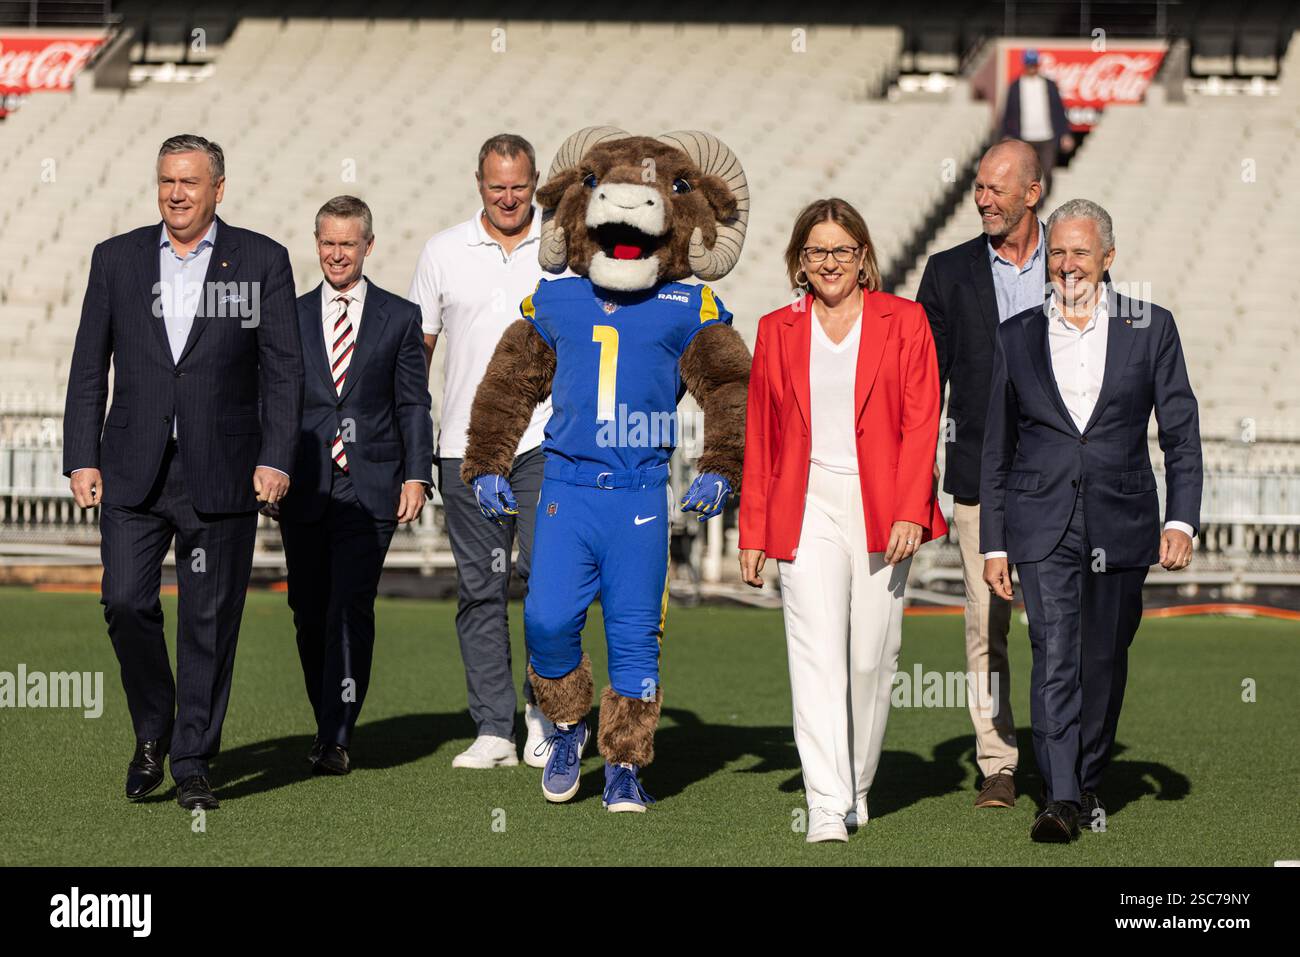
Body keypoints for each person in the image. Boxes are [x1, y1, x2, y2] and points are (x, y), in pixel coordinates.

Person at [62, 133, 302, 810]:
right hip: (133, 466)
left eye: (190, 182)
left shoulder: (261, 260)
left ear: (218, 188)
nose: (176, 193)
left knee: (209, 620)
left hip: (223, 469)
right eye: (167, 180)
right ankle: (154, 723)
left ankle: (192, 758)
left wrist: (277, 455)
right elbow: (89, 365)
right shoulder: (116, 259)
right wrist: (81, 453)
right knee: (124, 601)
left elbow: (283, 370)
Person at [980, 199, 1201, 843]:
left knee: (1103, 658)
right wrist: (994, 542)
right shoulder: (1016, 332)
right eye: (1057, 253)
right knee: (1052, 652)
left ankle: (1088, 770)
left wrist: (1182, 521)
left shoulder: (1150, 325)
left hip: (1124, 519)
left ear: (1108, 259)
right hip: (1041, 518)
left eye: (1081, 252)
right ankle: (1061, 795)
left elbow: (1181, 435)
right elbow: (997, 448)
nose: (1068, 265)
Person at [739, 198, 947, 843]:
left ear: (863, 258)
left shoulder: (906, 322)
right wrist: (754, 531)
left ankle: (856, 785)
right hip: (805, 506)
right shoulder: (777, 327)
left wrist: (913, 509)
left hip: (884, 508)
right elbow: (763, 435)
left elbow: (922, 422)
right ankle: (826, 801)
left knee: (871, 660)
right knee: (816, 653)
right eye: (816, 252)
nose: (829, 263)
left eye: (841, 251)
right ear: (799, 261)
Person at [407, 133, 556, 769]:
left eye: (519, 186)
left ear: (536, 181)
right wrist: (416, 455)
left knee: (550, 586)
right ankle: (494, 728)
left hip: (547, 443)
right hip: (465, 450)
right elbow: (417, 361)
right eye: (497, 186)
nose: (508, 197)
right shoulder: (442, 251)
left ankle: (546, 712)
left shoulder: (564, 250)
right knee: (480, 588)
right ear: (478, 183)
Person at [275, 196, 433, 775]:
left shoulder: (400, 316)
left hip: (371, 488)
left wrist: (417, 475)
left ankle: (338, 734)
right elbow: (274, 399)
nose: (337, 255)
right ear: (316, 244)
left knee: (350, 606)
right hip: (306, 484)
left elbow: (413, 403)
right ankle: (326, 720)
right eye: (328, 243)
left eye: (348, 244)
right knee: (308, 609)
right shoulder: (285, 315)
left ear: (369, 245)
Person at [916, 139, 1045, 811]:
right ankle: (998, 761)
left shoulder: (1073, 264)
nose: (982, 198)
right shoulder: (946, 271)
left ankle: (1061, 757)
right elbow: (921, 385)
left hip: (1060, 482)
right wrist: (914, 477)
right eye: (978, 187)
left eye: (997, 188)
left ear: (1033, 192)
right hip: (977, 481)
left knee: (1062, 625)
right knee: (985, 624)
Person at [1000, 50, 1075, 199]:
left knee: (1047, 170)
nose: (1032, 68)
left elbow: (1059, 111)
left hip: (1047, 136)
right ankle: (1031, 199)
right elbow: (1008, 113)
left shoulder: (1049, 84)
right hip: (1025, 138)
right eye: (1029, 65)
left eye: (1034, 64)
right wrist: (1006, 134)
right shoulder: (1015, 86)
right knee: (1027, 172)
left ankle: (1048, 198)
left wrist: (1066, 133)